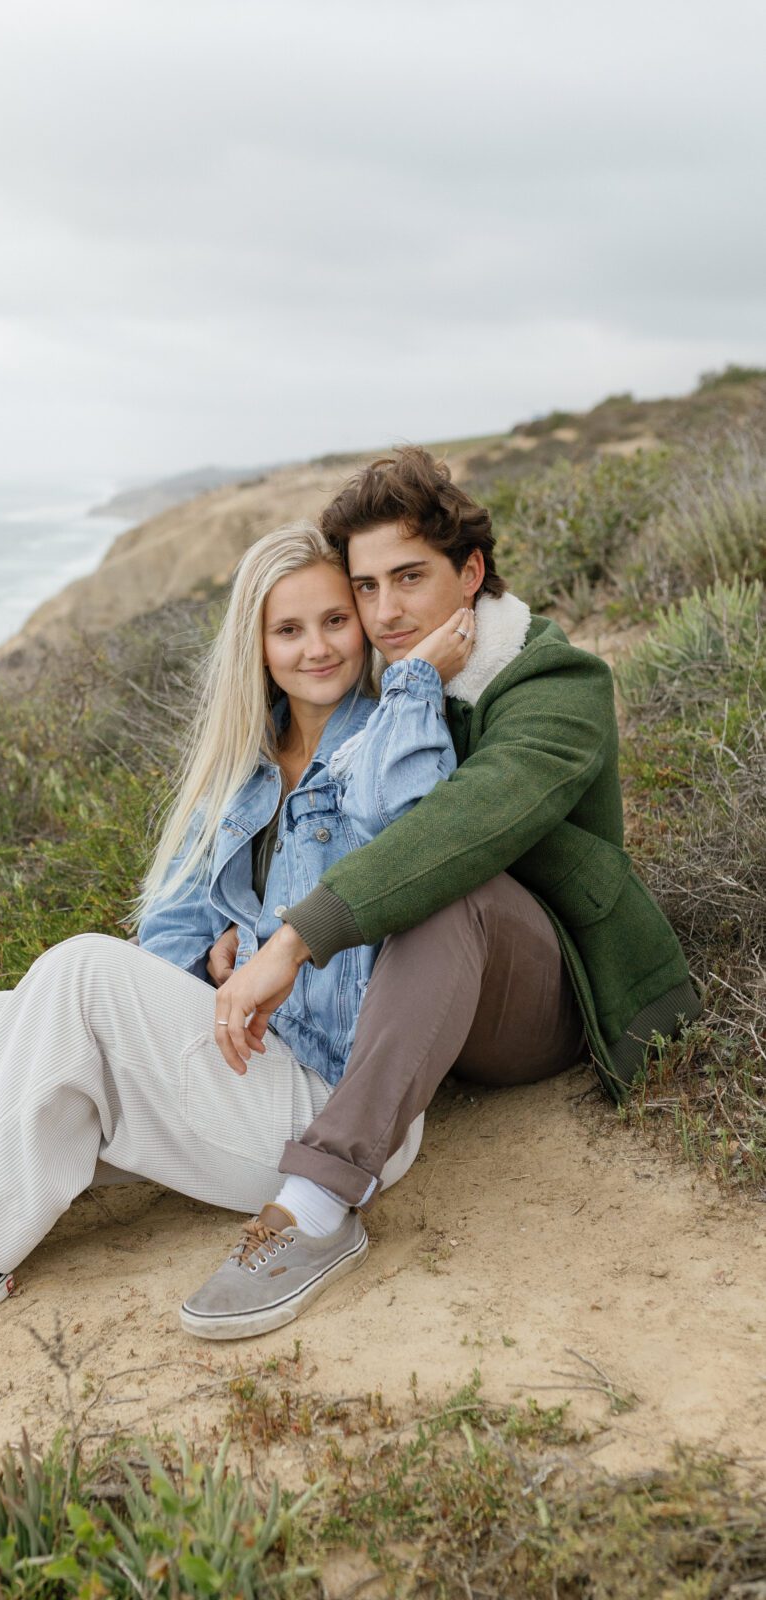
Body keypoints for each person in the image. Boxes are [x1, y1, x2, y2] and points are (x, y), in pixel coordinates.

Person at [0, 521, 469, 1345]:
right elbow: (166, 947)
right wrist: (196, 988)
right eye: (288, 628)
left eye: (333, 621)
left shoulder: (390, 741)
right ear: (257, 644)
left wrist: (414, 679)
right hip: (248, 1078)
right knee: (3, 1014)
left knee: (80, 972)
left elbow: (421, 861)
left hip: (337, 1118)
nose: (316, 648)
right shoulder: (239, 770)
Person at [195, 446, 701, 1336]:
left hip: (540, 992)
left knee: (448, 887)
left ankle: (317, 1203)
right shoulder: (363, 690)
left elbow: (460, 828)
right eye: (366, 586)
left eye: (409, 578)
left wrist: (293, 941)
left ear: (469, 573)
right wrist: (244, 927)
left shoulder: (550, 683)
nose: (384, 612)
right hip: (409, 1002)